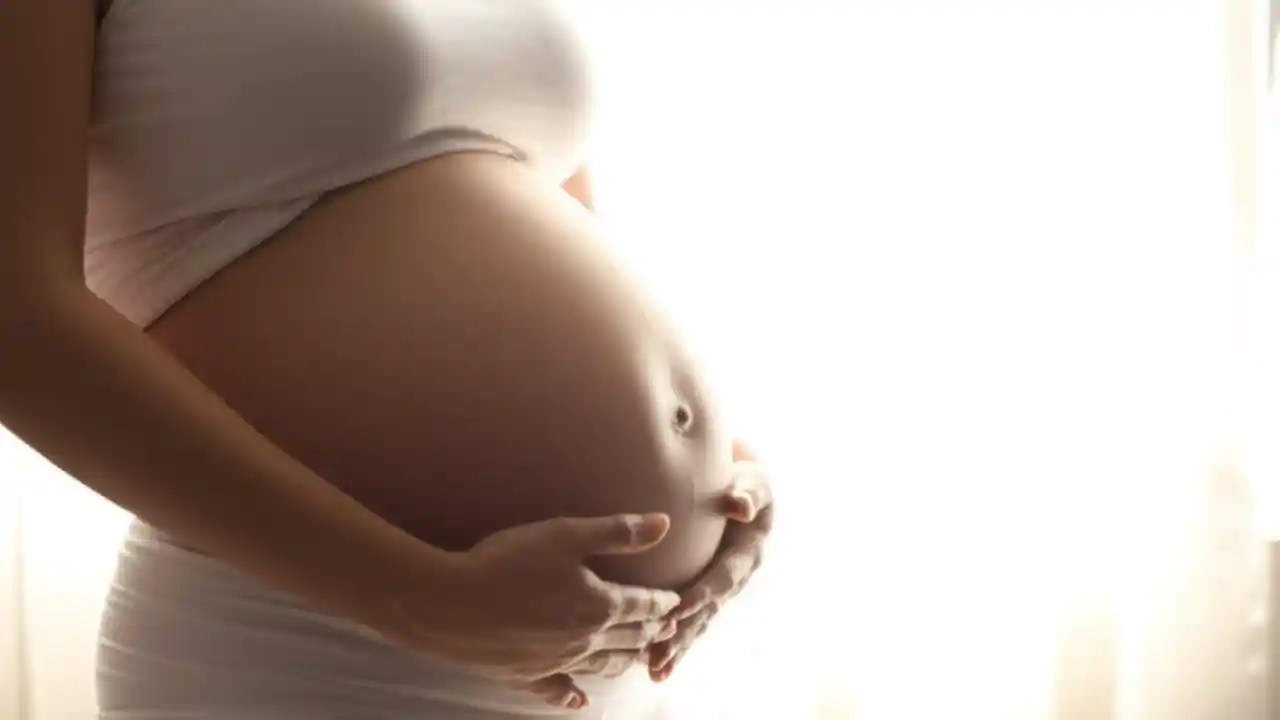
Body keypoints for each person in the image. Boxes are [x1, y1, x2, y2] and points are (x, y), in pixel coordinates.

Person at [0, 1, 775, 717]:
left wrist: (718, 480)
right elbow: (19, 320)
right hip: (314, 641)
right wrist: (415, 598)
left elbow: (553, 227)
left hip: (592, 659)